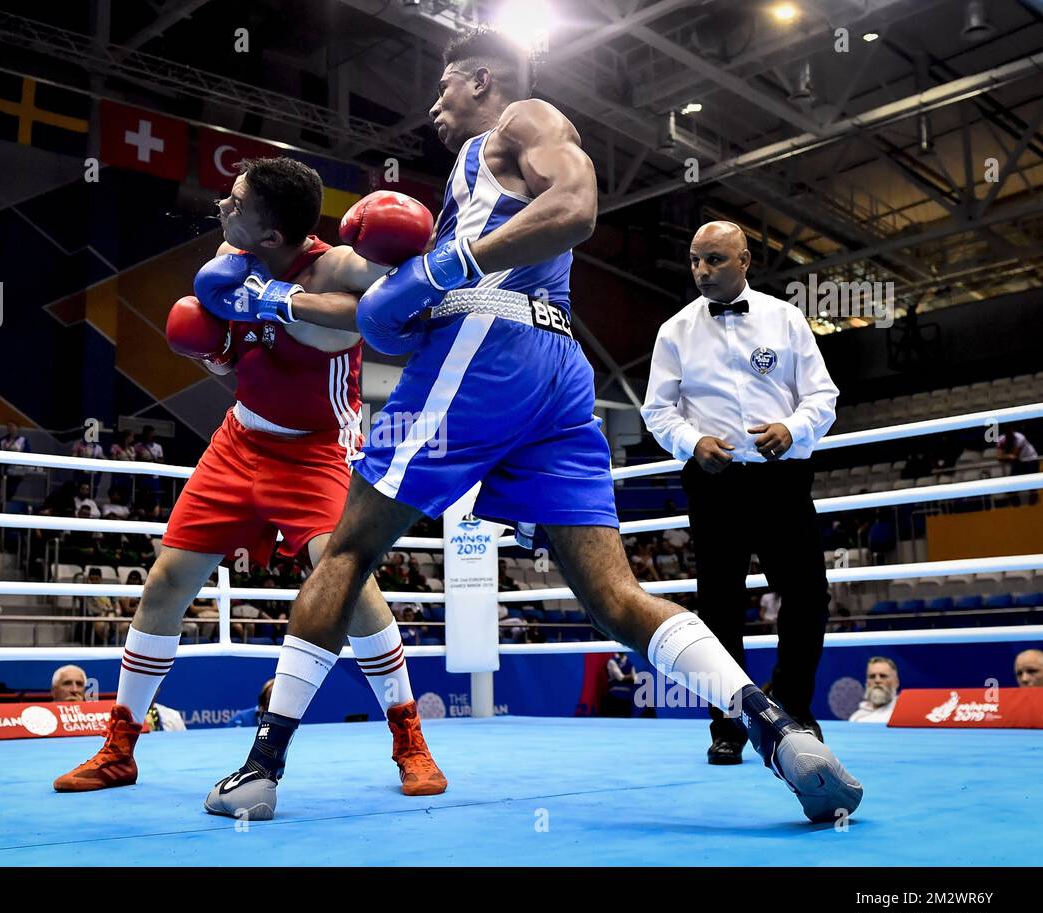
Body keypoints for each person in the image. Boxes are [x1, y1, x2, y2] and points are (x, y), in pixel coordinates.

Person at [202, 29, 860, 825]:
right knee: (615, 597)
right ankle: (776, 726)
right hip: (556, 373)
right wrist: (294, 300)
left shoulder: (522, 122)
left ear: (480, 80)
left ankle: (261, 767)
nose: (434, 106)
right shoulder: (473, 182)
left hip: (487, 354)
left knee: (347, 549)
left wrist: (450, 268)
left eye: (444, 88)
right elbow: (376, 312)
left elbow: (577, 209)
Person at [54, 157, 447, 799]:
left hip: (318, 451)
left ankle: (411, 744)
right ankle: (119, 748)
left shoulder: (337, 266)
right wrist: (217, 353)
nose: (222, 207)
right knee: (167, 580)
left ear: (273, 235)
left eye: (236, 203)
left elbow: (387, 308)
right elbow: (241, 352)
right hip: (239, 439)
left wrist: (279, 300)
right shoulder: (233, 254)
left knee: (347, 585)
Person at [641, 219, 839, 764]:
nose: (701, 271)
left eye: (715, 260)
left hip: (782, 479)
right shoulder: (675, 330)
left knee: (807, 596)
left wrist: (793, 428)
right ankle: (728, 723)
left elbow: (823, 396)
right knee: (720, 606)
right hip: (714, 482)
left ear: (745, 261)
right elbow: (656, 410)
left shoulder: (786, 317)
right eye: (695, 260)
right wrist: (691, 440)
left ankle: (795, 711)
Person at [848, 656, 900, 723]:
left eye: (883, 676)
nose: (877, 680)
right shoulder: (856, 718)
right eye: (872, 676)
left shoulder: (903, 713)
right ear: (867, 682)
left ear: (896, 682)